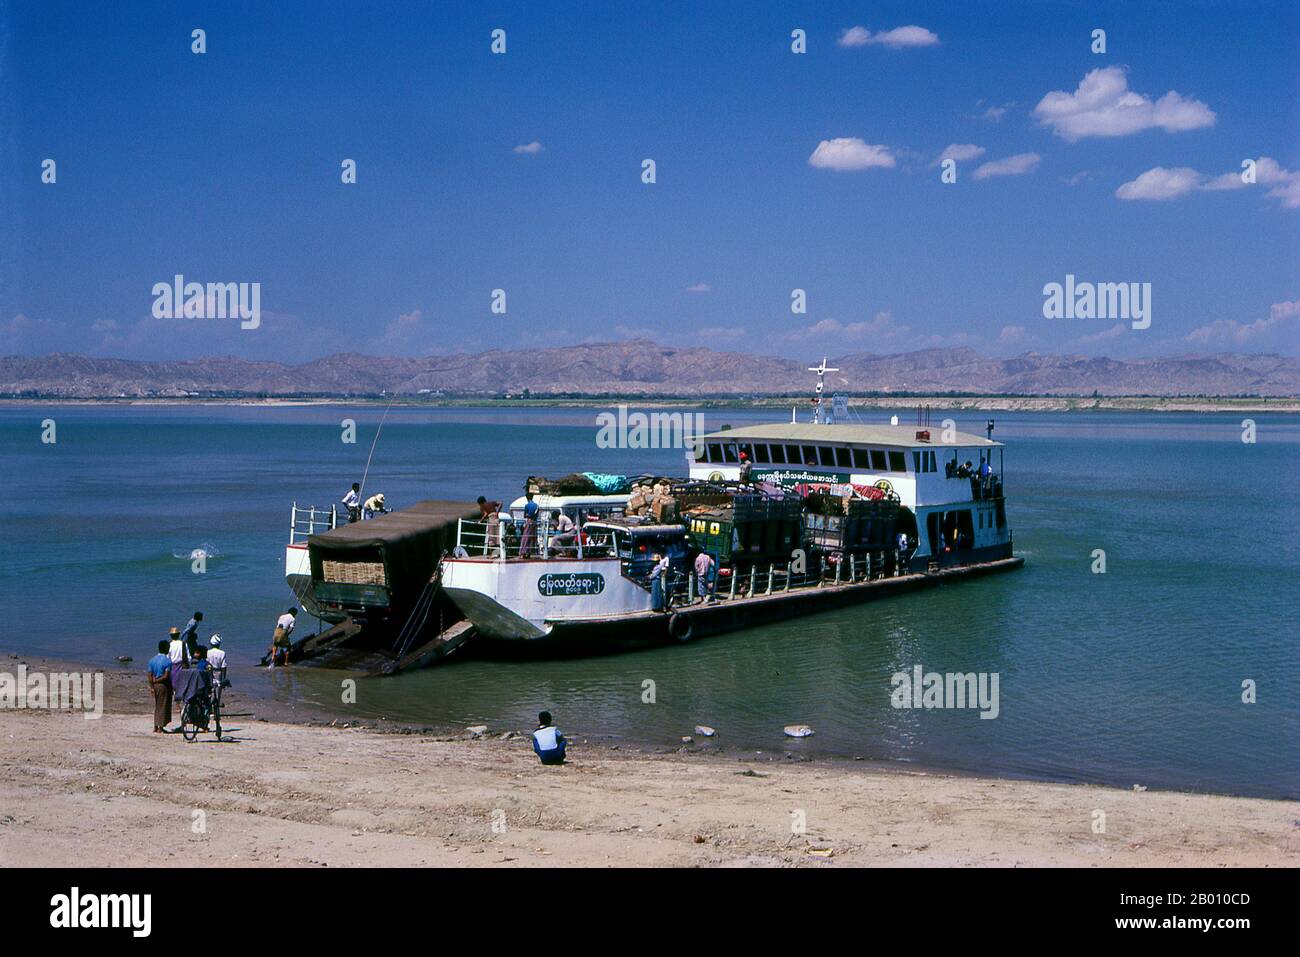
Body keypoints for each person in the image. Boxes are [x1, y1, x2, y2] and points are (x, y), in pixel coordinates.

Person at [147, 639, 172, 733]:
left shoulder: (152, 660)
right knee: (163, 705)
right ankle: (160, 727)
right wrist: (157, 681)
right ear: (166, 649)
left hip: (155, 686)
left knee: (157, 705)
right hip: (163, 685)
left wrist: (152, 686)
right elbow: (166, 676)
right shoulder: (167, 661)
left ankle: (155, 725)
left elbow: (149, 674)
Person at [519, 491, 539, 556]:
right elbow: (536, 515)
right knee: (533, 537)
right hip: (534, 522)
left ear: (527, 498)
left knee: (526, 537)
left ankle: (524, 551)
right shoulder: (536, 505)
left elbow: (525, 515)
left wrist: (528, 515)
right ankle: (530, 552)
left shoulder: (527, 505)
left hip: (529, 521)